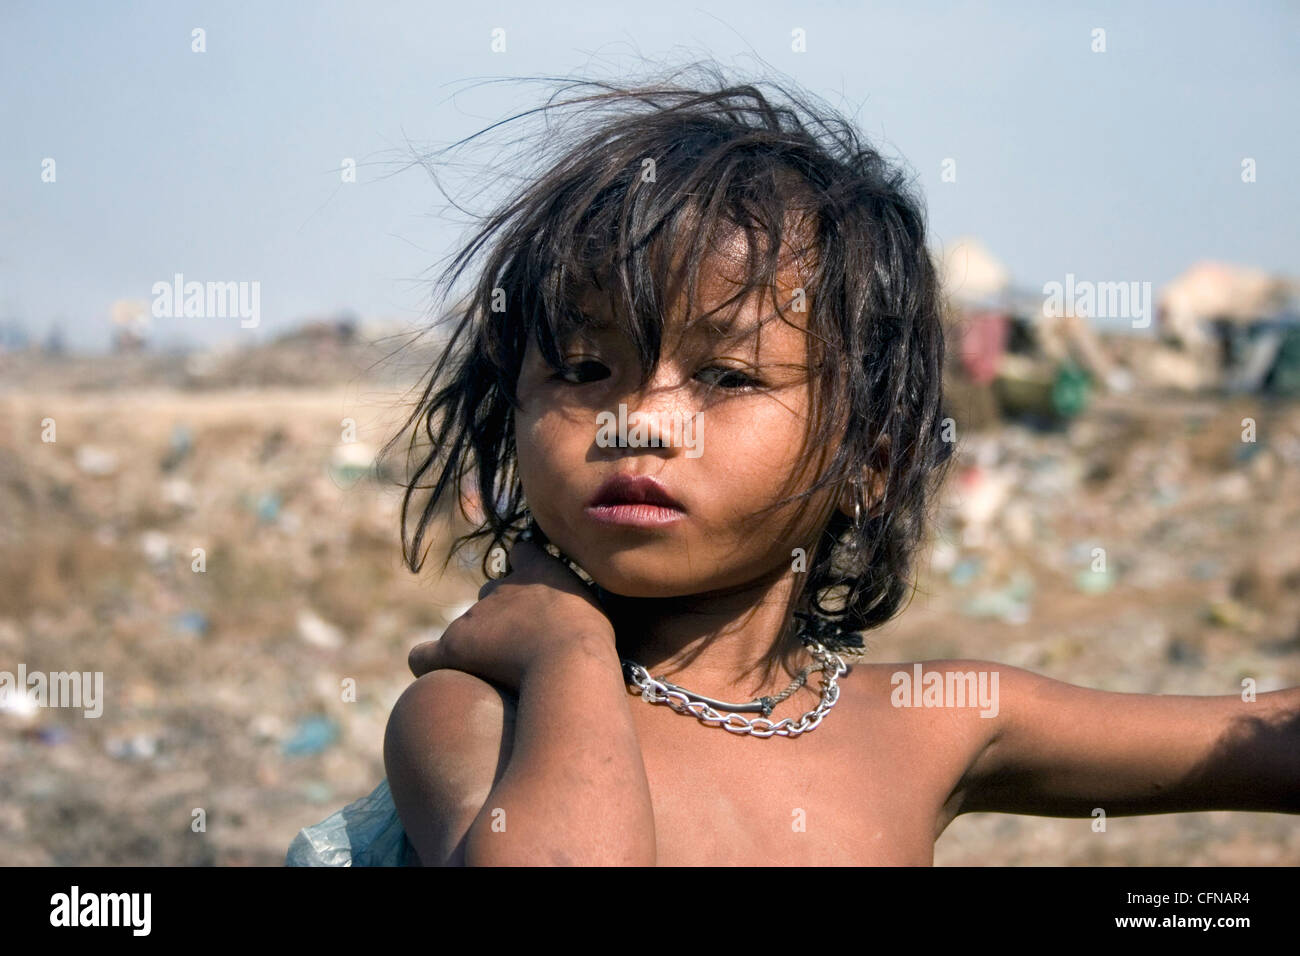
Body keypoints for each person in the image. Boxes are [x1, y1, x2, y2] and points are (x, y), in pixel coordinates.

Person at [287, 66, 1299, 867]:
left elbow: (1258, 737)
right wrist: (569, 658)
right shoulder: (480, 717)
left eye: (725, 374)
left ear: (869, 460)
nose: (638, 423)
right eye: (587, 368)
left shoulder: (927, 726)